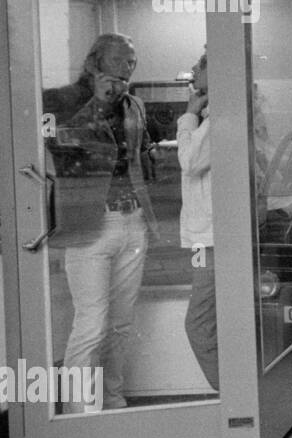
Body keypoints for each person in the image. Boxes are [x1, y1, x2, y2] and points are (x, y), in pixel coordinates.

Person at [43, 33, 158, 412]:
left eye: (132, 61)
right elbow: (59, 145)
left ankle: (113, 398)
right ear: (95, 63)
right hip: (89, 224)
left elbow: (143, 158)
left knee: (122, 323)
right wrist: (96, 102)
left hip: (132, 220)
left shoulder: (134, 105)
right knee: (91, 322)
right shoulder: (60, 99)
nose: (129, 68)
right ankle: (81, 412)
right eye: (122, 60)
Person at [177, 51, 218, 393]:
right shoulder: (213, 115)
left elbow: (190, 162)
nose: (192, 69)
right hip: (207, 237)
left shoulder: (215, 118)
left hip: (211, 239)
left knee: (199, 324)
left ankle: (231, 395)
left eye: (200, 64)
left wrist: (188, 116)